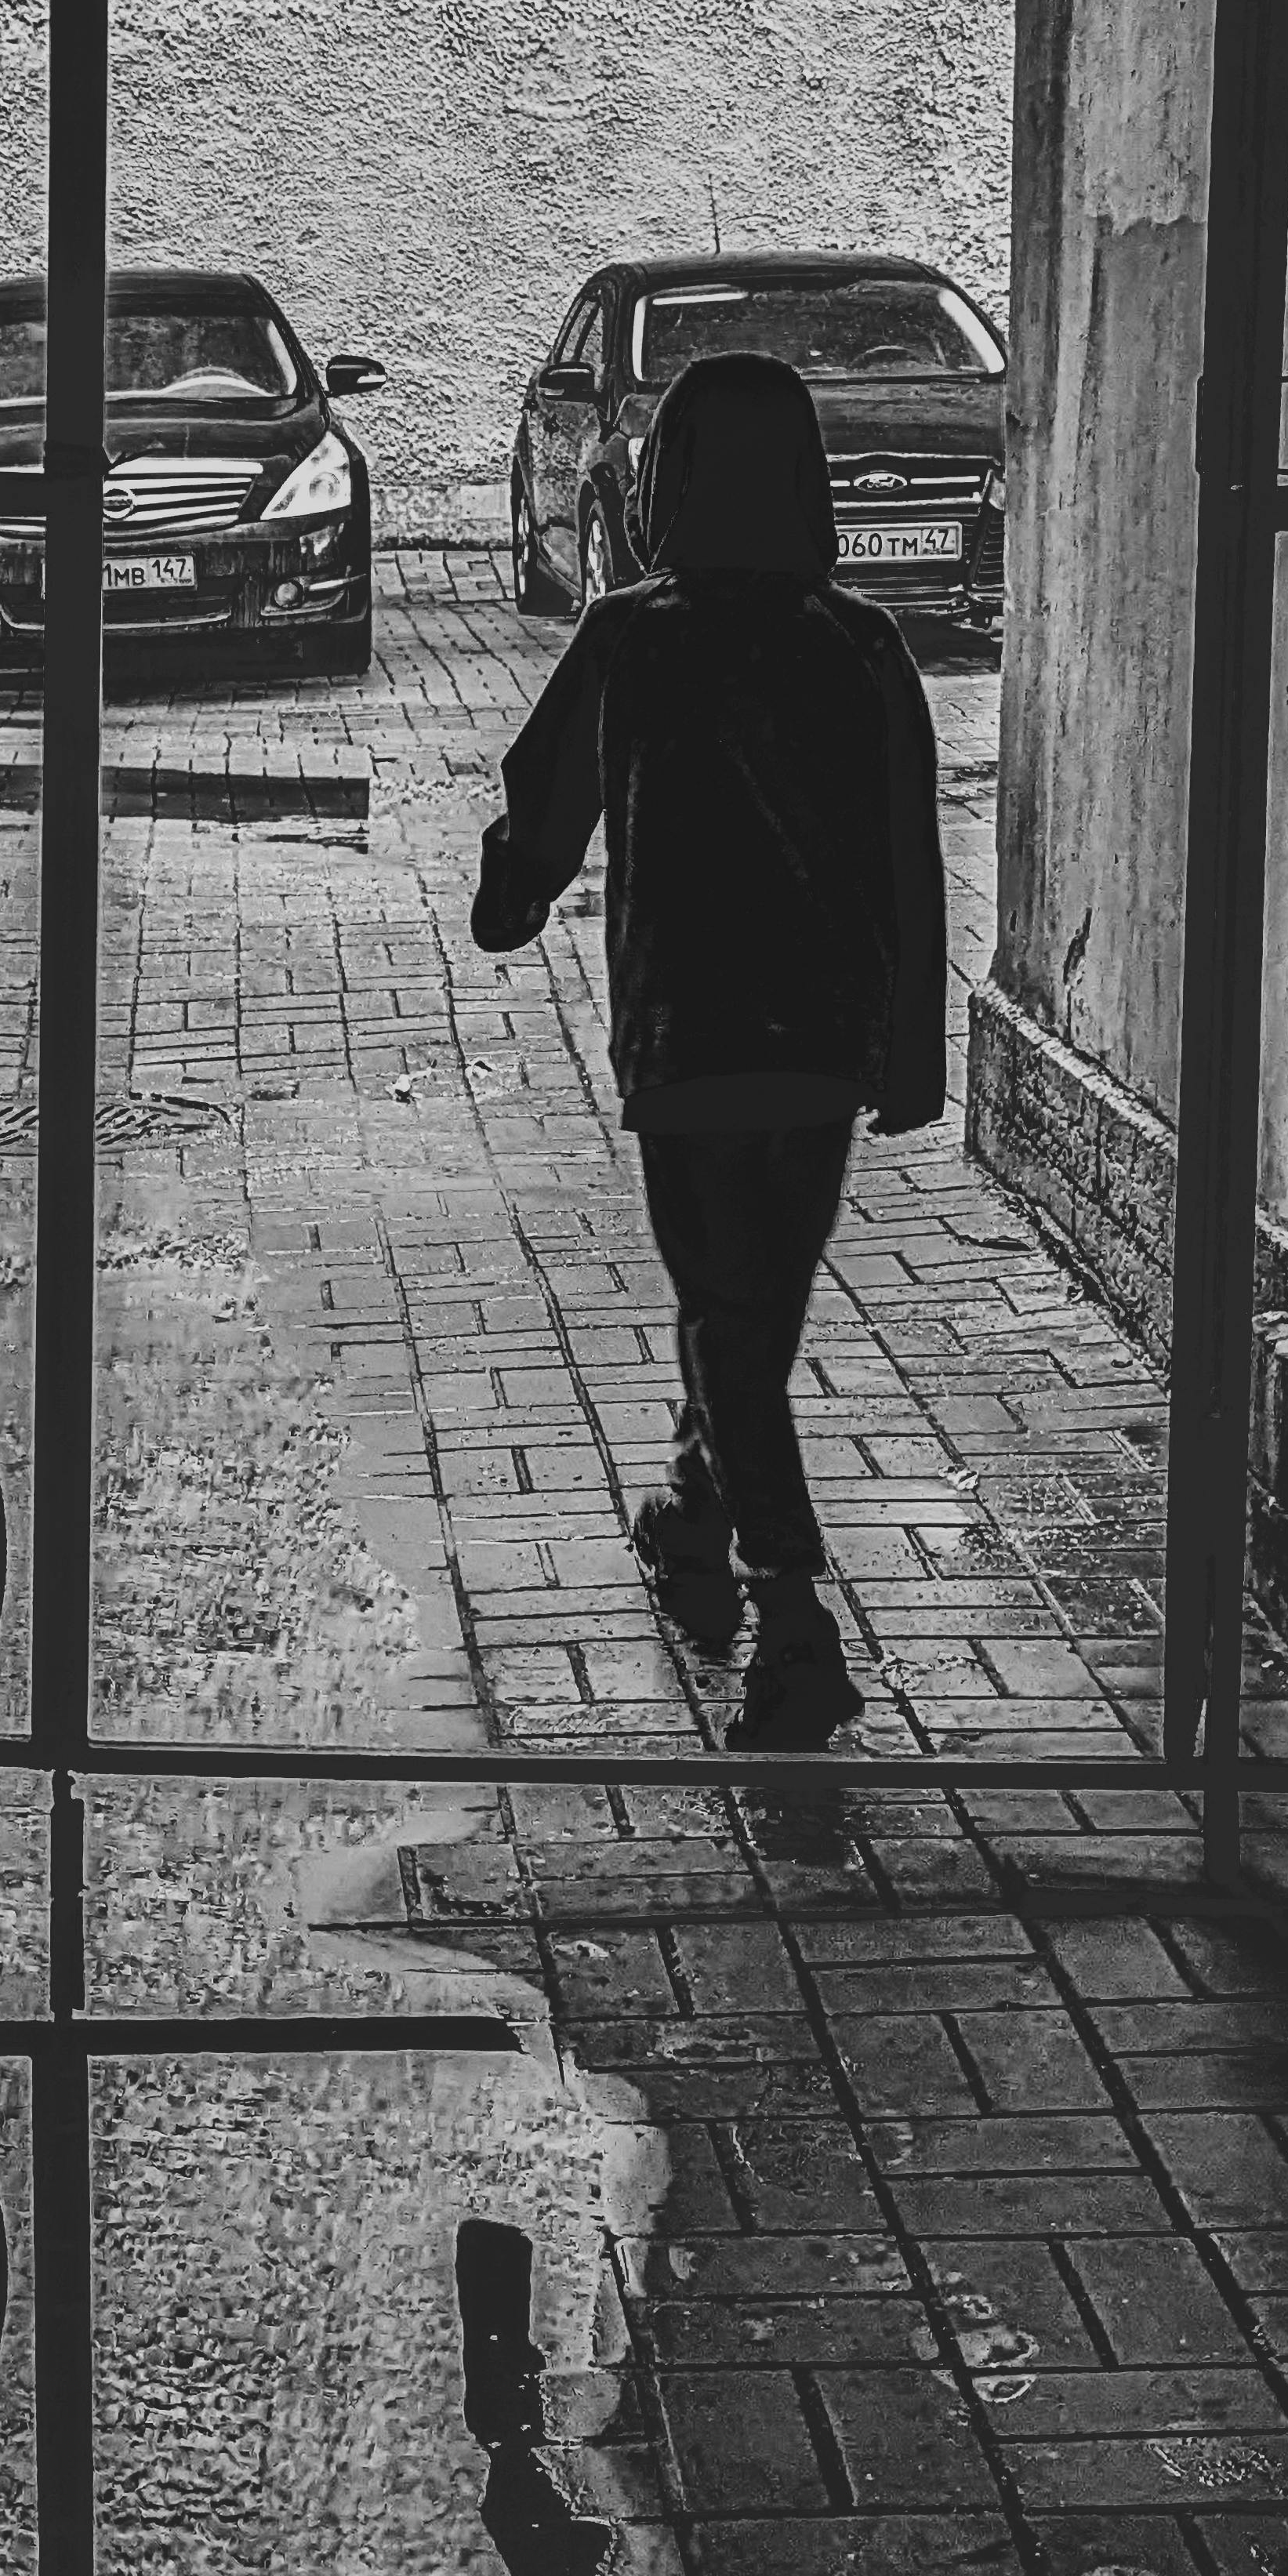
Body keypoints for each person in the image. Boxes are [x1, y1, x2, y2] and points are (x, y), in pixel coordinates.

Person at [468, 350, 948, 1750]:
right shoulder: (862, 646)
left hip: (685, 1034)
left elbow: (539, 818)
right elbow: (912, 867)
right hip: (819, 1040)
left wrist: (510, 894)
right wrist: (909, 1045)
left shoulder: (628, 636)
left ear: (671, 480)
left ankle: (792, 1616)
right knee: (749, 1310)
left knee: (728, 1318)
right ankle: (691, 1503)